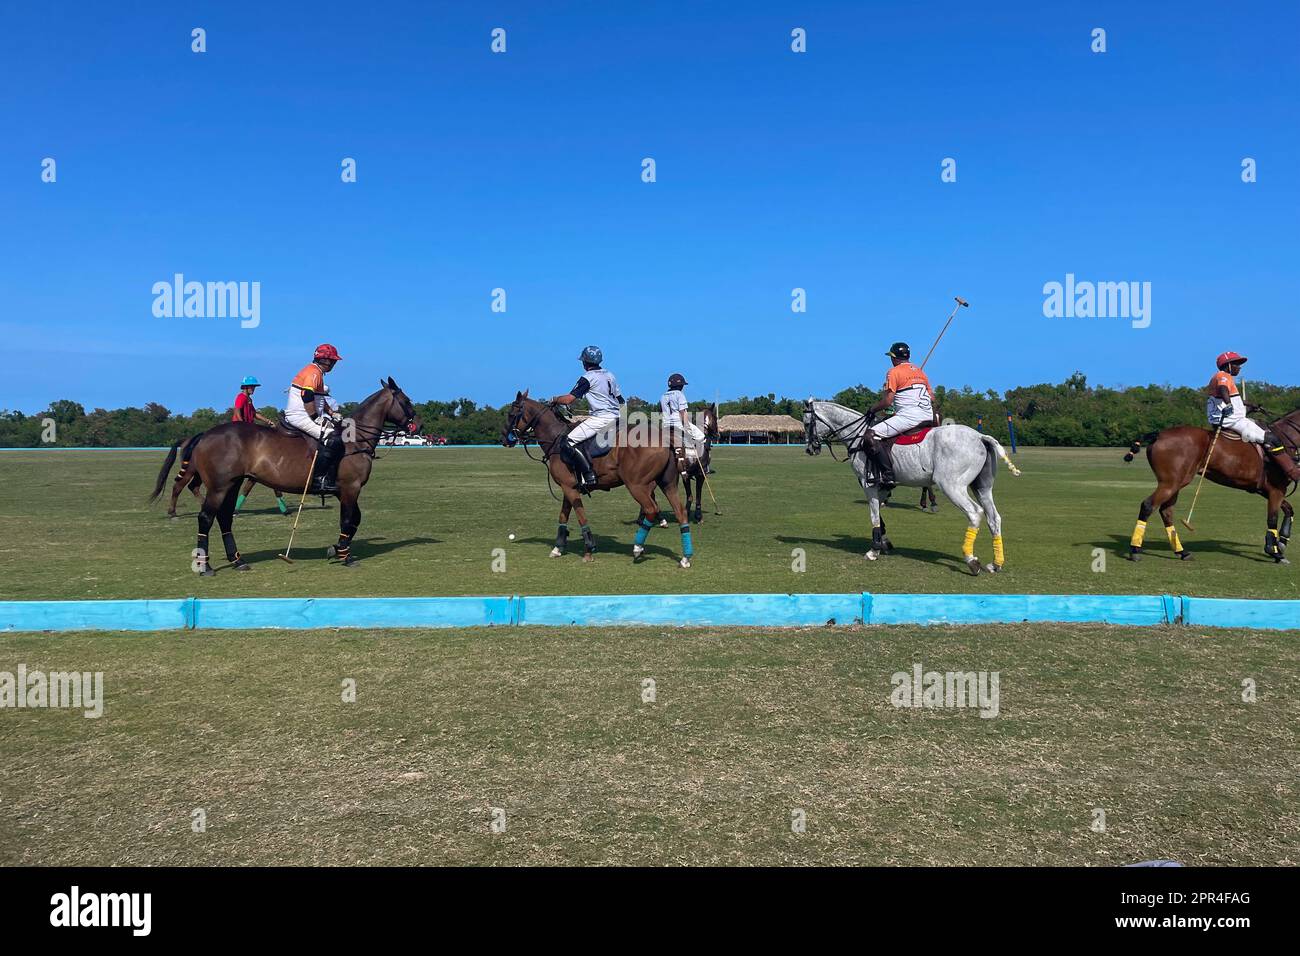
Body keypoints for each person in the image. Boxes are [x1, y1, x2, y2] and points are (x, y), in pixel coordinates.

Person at [1207, 351, 1300, 481]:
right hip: (1232, 421)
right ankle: (1292, 471)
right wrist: (1228, 405)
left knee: (1260, 426)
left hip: (1226, 419)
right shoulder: (1224, 376)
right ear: (1228, 365)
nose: (1239, 367)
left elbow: (1233, 397)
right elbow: (1223, 390)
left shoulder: (1218, 376)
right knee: (1271, 438)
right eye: (1236, 364)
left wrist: (1250, 405)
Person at [864, 342, 938, 489]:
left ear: (894, 358)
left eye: (891, 357)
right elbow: (932, 398)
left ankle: (888, 475)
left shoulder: (893, 372)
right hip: (929, 416)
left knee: (870, 435)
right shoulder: (920, 372)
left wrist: (872, 409)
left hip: (909, 417)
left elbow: (887, 401)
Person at [551, 346, 624, 491]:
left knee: (568, 442)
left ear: (584, 362)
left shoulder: (587, 378)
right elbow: (620, 399)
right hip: (617, 417)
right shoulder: (610, 374)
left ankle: (588, 476)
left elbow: (568, 400)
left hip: (601, 419)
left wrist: (554, 399)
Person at [285, 344, 345, 494]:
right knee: (332, 439)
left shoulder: (316, 372)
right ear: (325, 360)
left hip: (307, 414)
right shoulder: (314, 373)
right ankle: (319, 480)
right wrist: (315, 418)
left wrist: (331, 413)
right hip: (300, 416)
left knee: (338, 433)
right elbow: (307, 396)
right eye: (333, 360)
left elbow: (319, 399)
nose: (334, 364)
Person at [231, 375, 288, 514]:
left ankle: (237, 507)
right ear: (245, 387)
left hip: (249, 430)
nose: (254, 389)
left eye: (254, 387)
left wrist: (267, 421)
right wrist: (244, 428)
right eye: (252, 387)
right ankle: (282, 506)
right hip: (241, 432)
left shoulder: (249, 399)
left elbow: (255, 414)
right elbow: (237, 413)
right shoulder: (241, 397)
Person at [660, 373, 709, 468]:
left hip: (665, 426)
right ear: (680, 385)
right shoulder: (680, 395)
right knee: (701, 437)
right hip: (678, 424)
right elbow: (683, 412)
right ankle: (702, 465)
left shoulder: (663, 396)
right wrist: (687, 427)